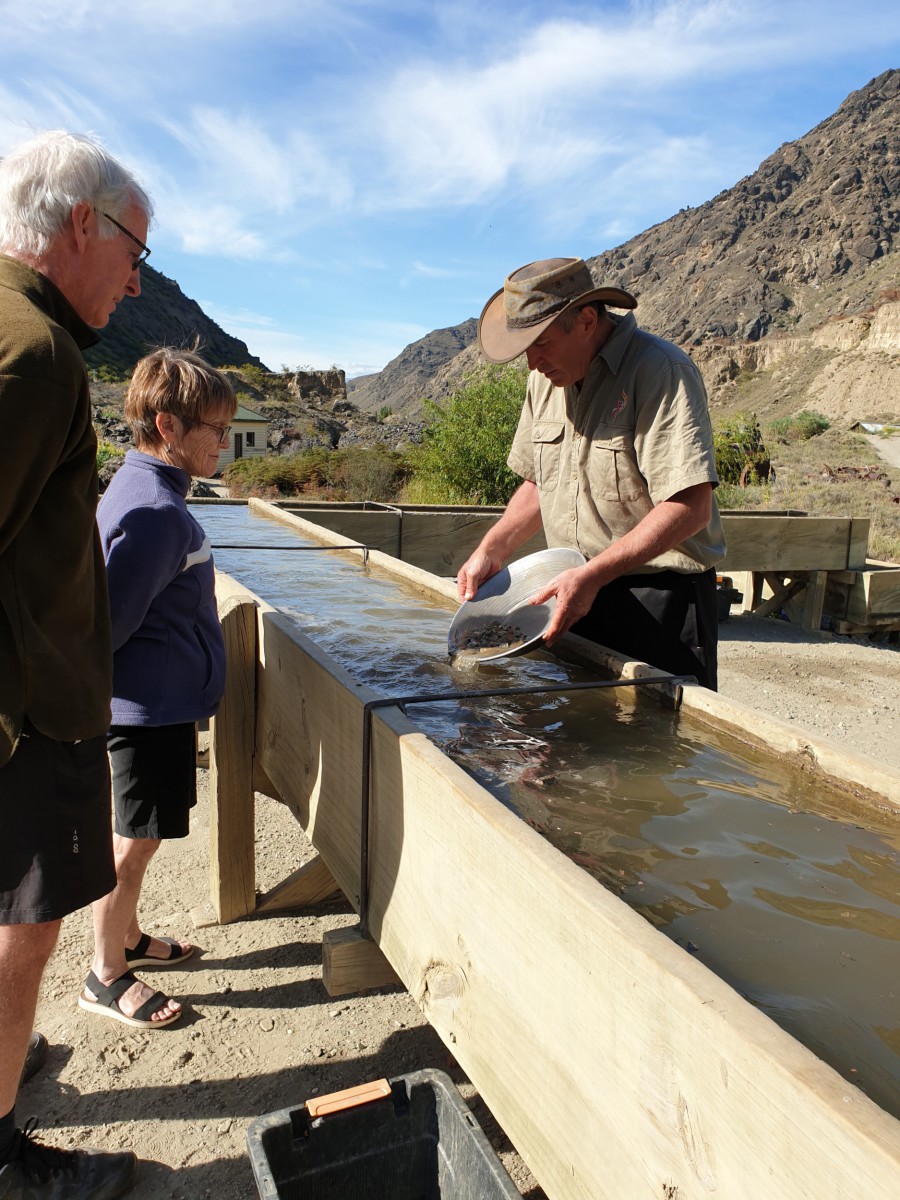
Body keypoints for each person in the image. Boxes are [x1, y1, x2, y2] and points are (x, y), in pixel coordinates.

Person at [0, 130, 151, 1198]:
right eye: (135, 251)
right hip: (25, 712)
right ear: (83, 224)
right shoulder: (37, 353)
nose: (138, 279)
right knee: (25, 927)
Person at [457, 257, 725, 690]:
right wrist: (494, 546)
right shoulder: (546, 380)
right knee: (577, 748)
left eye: (540, 343)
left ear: (585, 320)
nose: (531, 363)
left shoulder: (660, 372)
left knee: (655, 750)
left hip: (657, 603)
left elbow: (690, 507)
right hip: (574, 591)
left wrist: (594, 576)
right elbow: (539, 482)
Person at [79, 349, 236, 1031]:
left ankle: (130, 935)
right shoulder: (156, 511)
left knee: (139, 837)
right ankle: (105, 974)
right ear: (167, 425)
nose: (225, 443)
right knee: (132, 843)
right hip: (145, 716)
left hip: (154, 706)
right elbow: (106, 625)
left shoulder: (146, 490)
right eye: (216, 429)